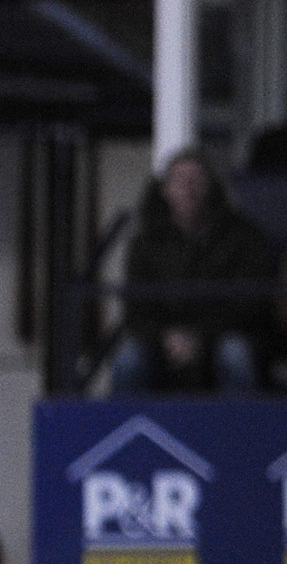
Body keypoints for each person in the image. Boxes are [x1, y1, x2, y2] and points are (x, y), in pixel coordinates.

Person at [107, 148, 271, 394]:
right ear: (165, 189)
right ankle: (127, 431)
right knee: (128, 359)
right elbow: (135, 308)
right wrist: (167, 337)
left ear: (211, 187)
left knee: (235, 354)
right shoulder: (146, 241)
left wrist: (201, 337)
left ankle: (239, 432)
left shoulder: (242, 236)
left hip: (222, 336)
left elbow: (249, 304)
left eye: (196, 180)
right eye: (180, 181)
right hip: (162, 343)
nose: (189, 189)